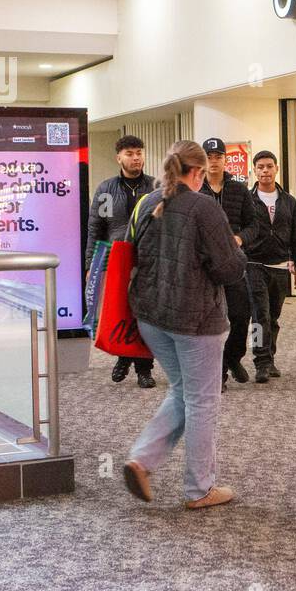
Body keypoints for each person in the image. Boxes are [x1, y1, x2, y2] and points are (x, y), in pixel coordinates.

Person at [122, 140, 245, 510]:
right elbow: (229, 269)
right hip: (195, 321)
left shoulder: (146, 203)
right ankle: (199, 489)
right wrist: (238, 250)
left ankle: (141, 461)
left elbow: (130, 251)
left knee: (183, 391)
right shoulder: (204, 207)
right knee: (202, 401)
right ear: (199, 172)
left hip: (151, 316)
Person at [86, 135, 157, 389]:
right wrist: (91, 265)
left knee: (145, 315)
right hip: (115, 259)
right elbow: (95, 229)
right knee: (120, 312)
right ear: (119, 158)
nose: (136, 158)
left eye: (139, 152)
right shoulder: (106, 189)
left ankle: (144, 369)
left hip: (148, 259)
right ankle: (123, 356)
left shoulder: (156, 187)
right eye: (129, 153)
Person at [238, 150, 296, 383]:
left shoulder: (289, 201)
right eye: (260, 167)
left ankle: (270, 358)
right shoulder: (247, 200)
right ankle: (261, 361)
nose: (265, 171)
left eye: (269, 166)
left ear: (276, 168)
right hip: (253, 263)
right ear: (254, 171)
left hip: (280, 265)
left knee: (273, 316)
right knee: (260, 316)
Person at [198, 137, 258, 390]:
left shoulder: (239, 189)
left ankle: (232, 358)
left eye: (218, 157)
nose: (214, 161)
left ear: (225, 159)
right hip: (204, 266)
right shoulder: (195, 189)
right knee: (208, 321)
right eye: (209, 157)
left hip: (233, 262)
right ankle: (217, 373)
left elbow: (254, 225)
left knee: (241, 315)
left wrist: (240, 238)